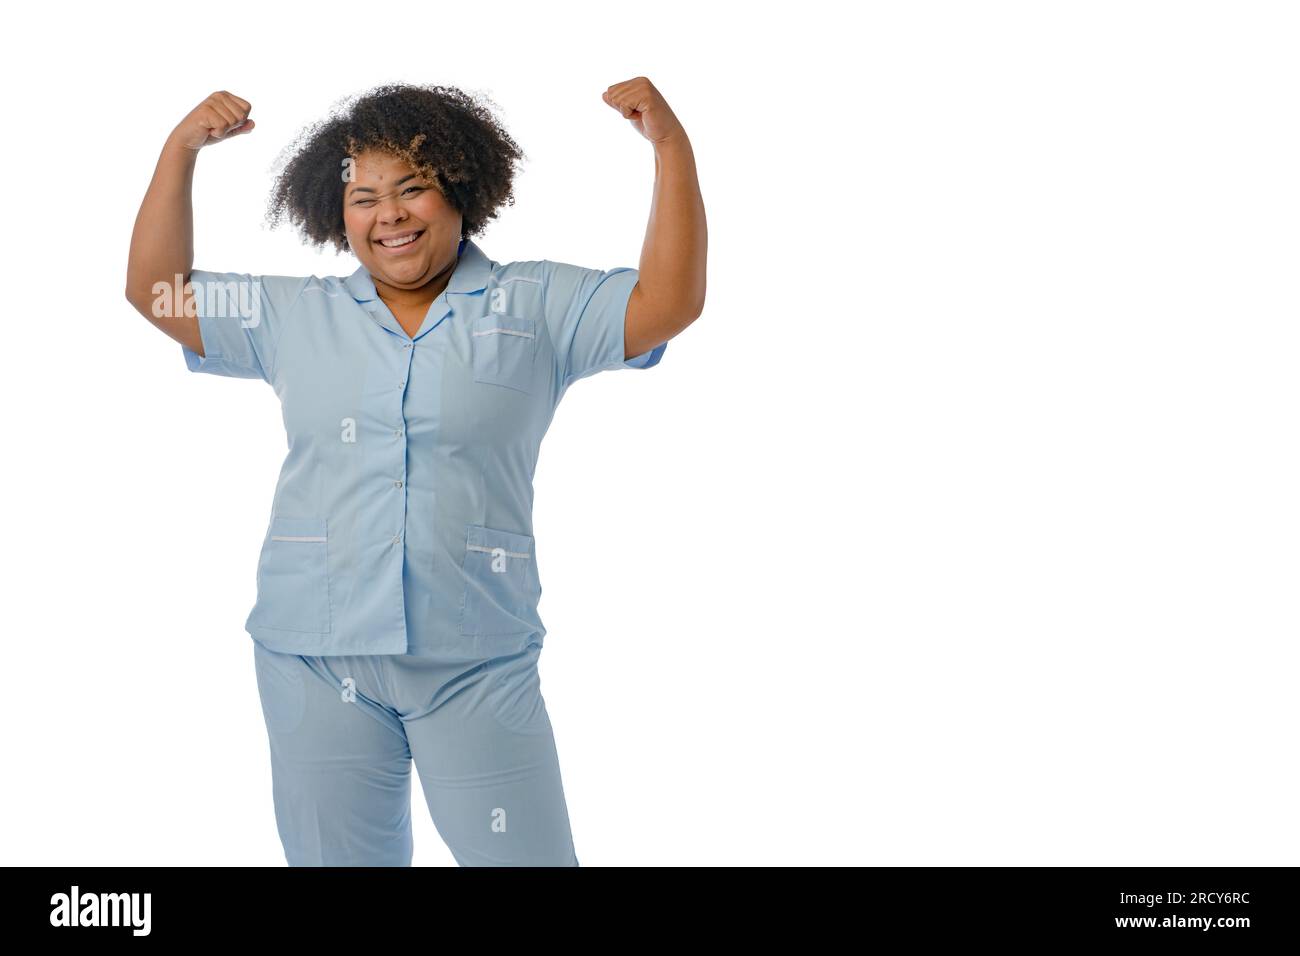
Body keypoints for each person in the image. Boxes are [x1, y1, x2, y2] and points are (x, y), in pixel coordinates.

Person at [124, 80, 706, 866]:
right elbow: (156, 293)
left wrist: (671, 148)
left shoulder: (534, 305)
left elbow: (667, 300)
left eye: (413, 189)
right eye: (363, 197)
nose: (388, 214)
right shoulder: (296, 313)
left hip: (473, 665)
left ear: (462, 192)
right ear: (339, 215)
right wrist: (180, 151)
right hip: (313, 660)